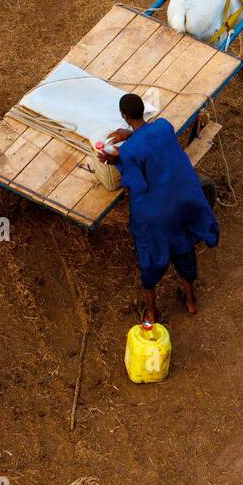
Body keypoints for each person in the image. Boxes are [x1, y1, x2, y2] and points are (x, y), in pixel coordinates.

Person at [98, 93, 219, 324]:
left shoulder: (128, 151)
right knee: (184, 249)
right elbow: (151, 139)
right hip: (180, 202)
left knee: (151, 259)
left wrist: (115, 160)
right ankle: (190, 301)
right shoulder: (163, 126)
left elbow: (134, 182)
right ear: (142, 110)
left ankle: (152, 313)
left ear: (124, 116)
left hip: (155, 215)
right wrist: (132, 134)